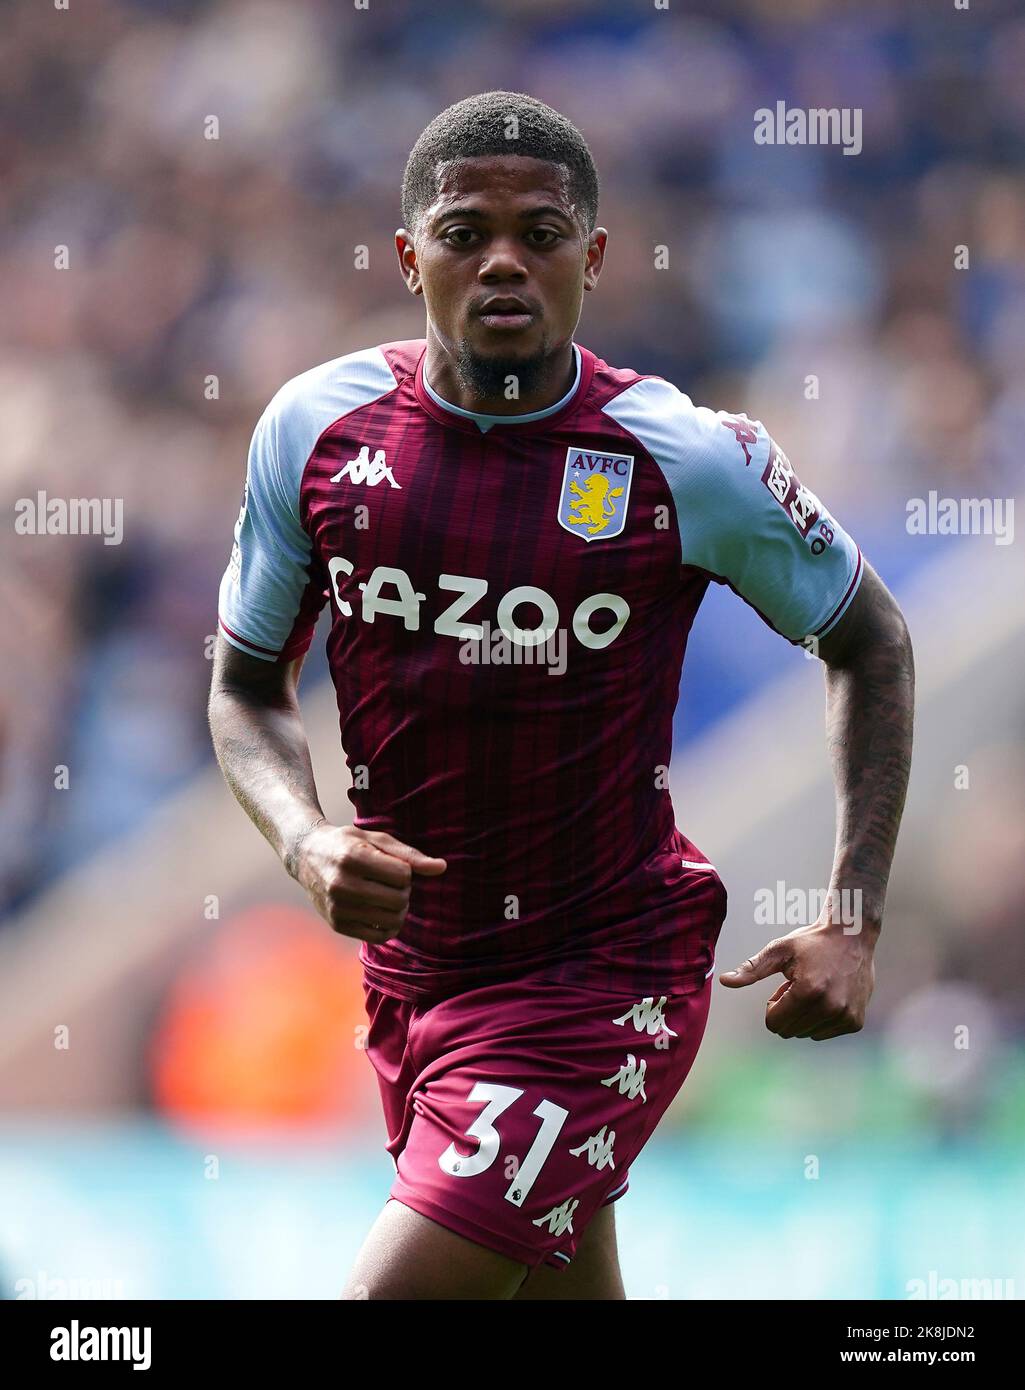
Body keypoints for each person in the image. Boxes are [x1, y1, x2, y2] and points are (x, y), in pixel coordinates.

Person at [207, 91, 914, 1300]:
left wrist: (851, 914)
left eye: (538, 234)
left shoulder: (687, 457)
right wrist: (304, 836)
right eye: (464, 233)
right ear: (407, 257)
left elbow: (870, 640)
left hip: (600, 976)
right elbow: (242, 685)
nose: (502, 261)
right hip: (416, 980)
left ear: (590, 257)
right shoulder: (314, 431)